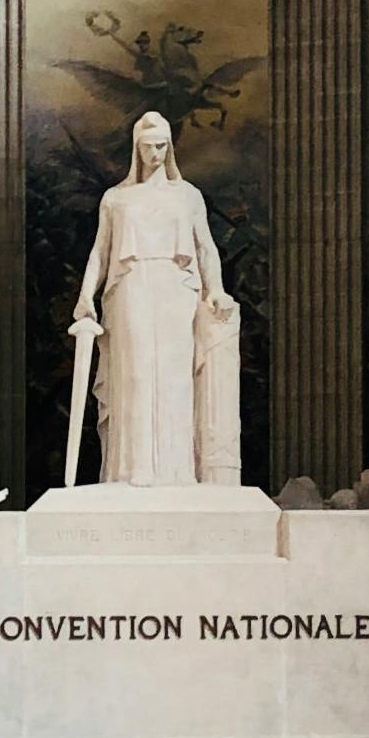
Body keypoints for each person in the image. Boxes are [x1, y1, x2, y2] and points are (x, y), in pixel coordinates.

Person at [69, 108, 241, 486]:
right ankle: (133, 469)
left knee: (175, 375)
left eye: (161, 145)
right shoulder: (117, 199)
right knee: (135, 373)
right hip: (130, 286)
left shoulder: (188, 196)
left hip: (177, 288)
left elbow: (206, 248)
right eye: (148, 146)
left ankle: (177, 471)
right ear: (137, 148)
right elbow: (101, 251)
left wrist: (216, 289)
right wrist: (85, 297)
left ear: (170, 147)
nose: (155, 153)